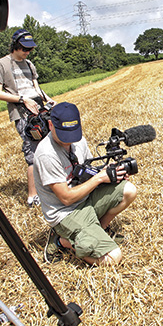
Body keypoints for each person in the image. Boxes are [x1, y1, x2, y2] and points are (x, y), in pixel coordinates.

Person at [33, 102, 137, 266]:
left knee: (128, 190)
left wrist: (110, 175)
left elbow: (90, 171)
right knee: (113, 258)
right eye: (64, 134)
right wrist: (99, 179)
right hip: (66, 213)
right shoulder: (46, 154)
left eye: (73, 133)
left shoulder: (78, 140)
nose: (70, 140)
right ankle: (62, 241)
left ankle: (98, 229)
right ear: (51, 124)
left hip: (86, 199)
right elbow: (66, 198)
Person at [0, 28, 55, 207]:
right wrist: (22, 99)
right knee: (33, 151)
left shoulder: (29, 64)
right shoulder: (1, 64)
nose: (27, 52)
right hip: (22, 112)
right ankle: (32, 197)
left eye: (29, 49)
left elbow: (36, 88)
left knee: (50, 145)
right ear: (15, 46)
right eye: (24, 49)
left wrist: (48, 100)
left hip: (38, 109)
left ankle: (49, 185)